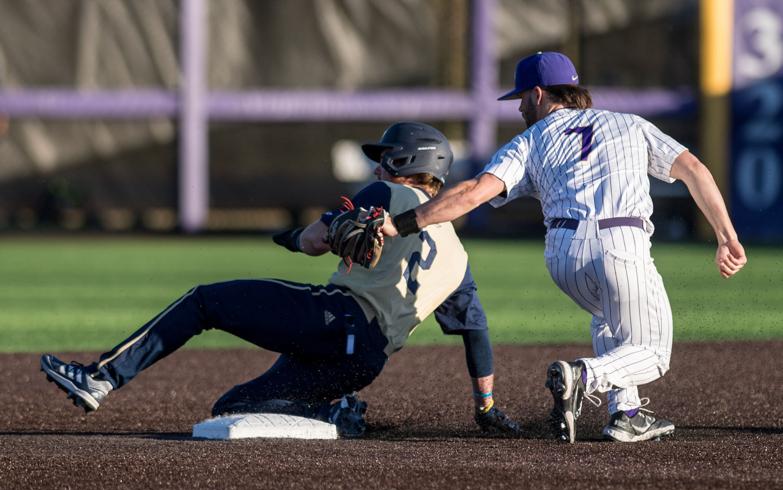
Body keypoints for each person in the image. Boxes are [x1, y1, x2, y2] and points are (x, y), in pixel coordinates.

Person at [40, 121, 522, 438]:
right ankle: (336, 415)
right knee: (232, 407)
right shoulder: (458, 258)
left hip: (335, 319)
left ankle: (101, 379)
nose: (379, 164)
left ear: (406, 164)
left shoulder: (388, 192)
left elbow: (316, 241)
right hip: (366, 361)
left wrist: (292, 238)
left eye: (388, 156)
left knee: (204, 301)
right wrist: (486, 405)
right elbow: (474, 332)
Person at [383, 52, 747, 443]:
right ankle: (583, 376)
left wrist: (402, 223)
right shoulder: (629, 124)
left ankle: (625, 414)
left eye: (522, 97)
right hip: (620, 241)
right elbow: (693, 168)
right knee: (653, 353)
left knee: (610, 319)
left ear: (539, 94)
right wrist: (726, 236)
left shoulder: (529, 141)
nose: (520, 106)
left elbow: (472, 192)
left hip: (563, 255)